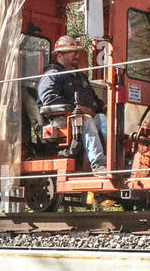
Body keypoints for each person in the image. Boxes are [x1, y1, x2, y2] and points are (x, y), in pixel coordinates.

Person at [37, 35, 108, 174]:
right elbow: (49, 99)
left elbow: (93, 98)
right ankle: (98, 165)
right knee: (85, 120)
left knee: (105, 120)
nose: (76, 55)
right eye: (72, 52)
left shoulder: (80, 77)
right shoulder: (53, 75)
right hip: (61, 120)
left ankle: (111, 160)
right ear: (59, 55)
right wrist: (76, 109)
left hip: (83, 117)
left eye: (76, 52)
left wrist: (104, 107)